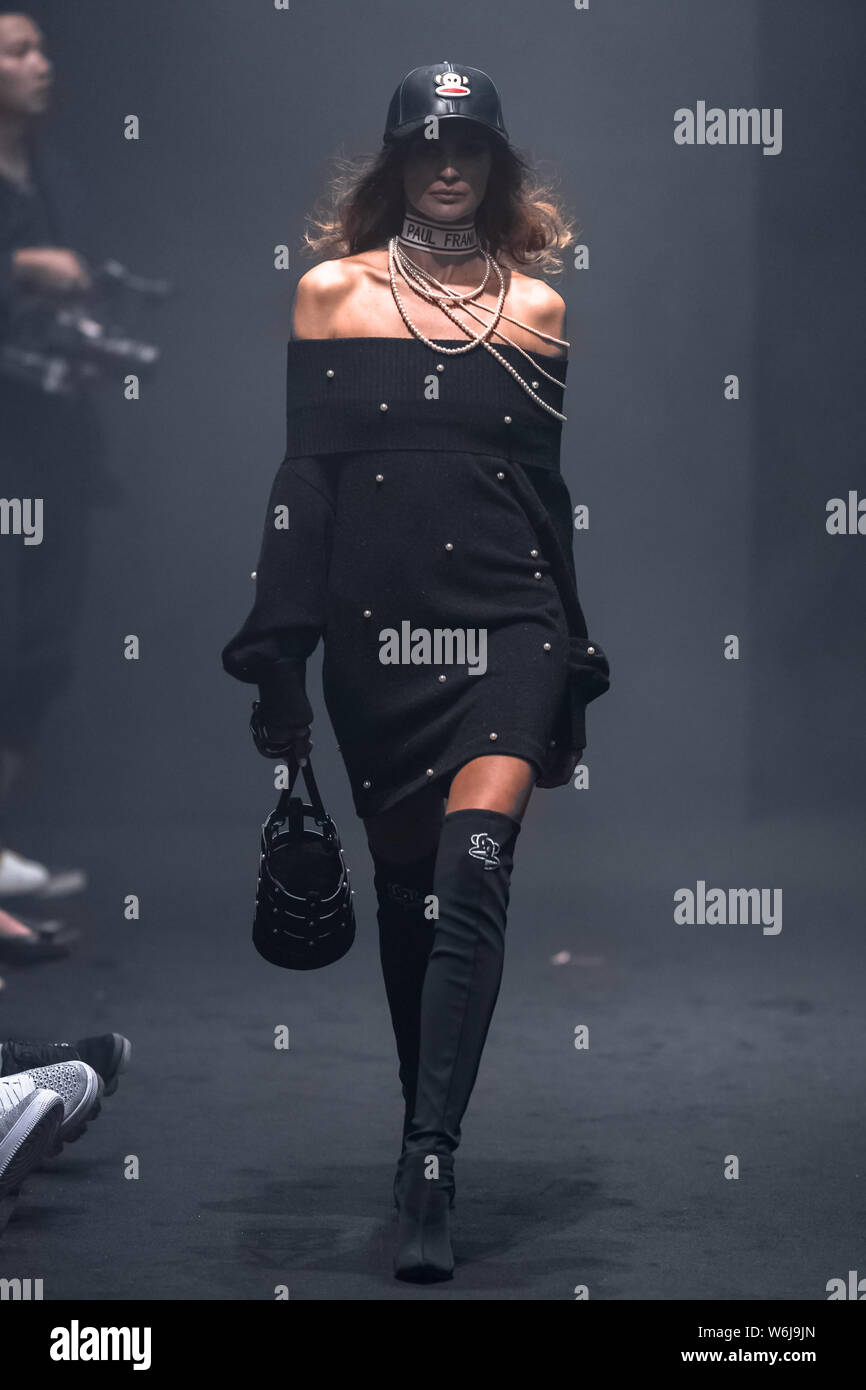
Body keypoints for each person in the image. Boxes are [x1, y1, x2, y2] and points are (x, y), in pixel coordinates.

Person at [222, 60, 611, 1283]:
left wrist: (572, 650)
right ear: (395, 163)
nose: (448, 164)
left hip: (508, 620)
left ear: (496, 166)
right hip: (377, 630)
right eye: (427, 145)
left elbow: (541, 501)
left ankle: (430, 1155)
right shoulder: (328, 295)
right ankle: (416, 1114)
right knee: (410, 897)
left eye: (470, 147)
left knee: (473, 863)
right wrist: (279, 654)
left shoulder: (537, 311)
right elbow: (308, 486)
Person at [0, 11, 106, 958]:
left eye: (40, 48)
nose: (39, 64)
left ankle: (4, 839)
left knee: (43, 644)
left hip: (57, 445)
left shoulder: (59, 175)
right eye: (16, 51)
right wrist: (16, 271)